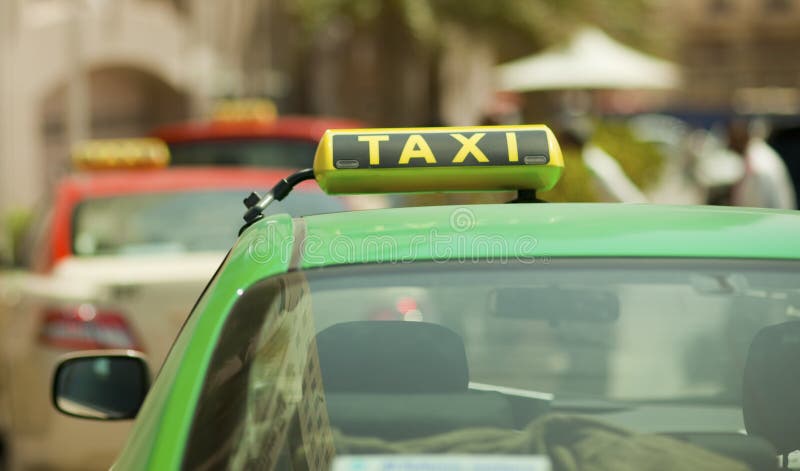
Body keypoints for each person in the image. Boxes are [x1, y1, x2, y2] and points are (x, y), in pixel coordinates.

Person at [727, 119, 796, 210]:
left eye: (731, 141)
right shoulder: (757, 152)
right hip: (776, 214)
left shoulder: (758, 164)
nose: (729, 146)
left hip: (775, 218)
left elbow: (755, 206)